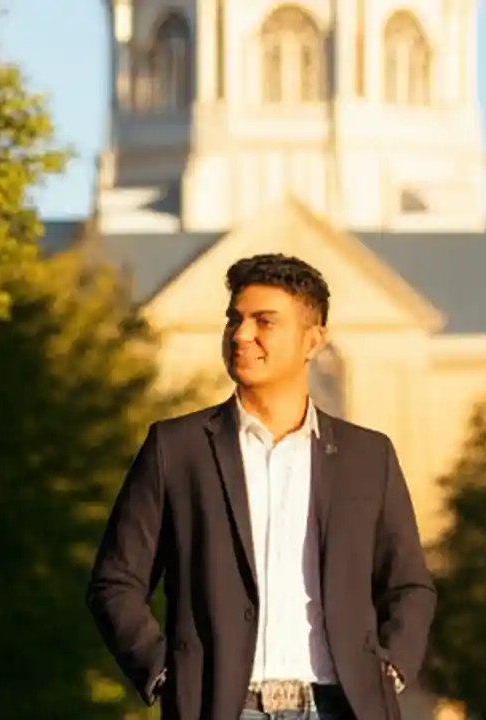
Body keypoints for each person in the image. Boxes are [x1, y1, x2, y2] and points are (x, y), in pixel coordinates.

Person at [87, 253, 436, 720]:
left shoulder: (368, 457)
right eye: (235, 319)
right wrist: (164, 671)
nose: (241, 334)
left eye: (264, 322)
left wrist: (388, 670)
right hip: (222, 708)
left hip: (343, 706)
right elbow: (116, 582)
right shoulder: (177, 448)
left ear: (313, 340)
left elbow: (410, 585)